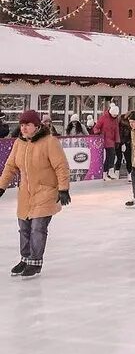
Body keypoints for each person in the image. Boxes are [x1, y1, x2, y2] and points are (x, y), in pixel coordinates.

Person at [0, 109, 71, 278]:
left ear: (37, 126)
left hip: (46, 191)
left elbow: (61, 166)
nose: (24, 128)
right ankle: (25, 258)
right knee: (24, 228)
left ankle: (35, 262)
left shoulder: (49, 142)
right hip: (25, 193)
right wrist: (1, 186)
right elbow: (10, 167)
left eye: (28, 125)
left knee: (38, 228)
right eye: (22, 125)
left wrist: (63, 189)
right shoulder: (19, 143)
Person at [93, 102, 122, 181]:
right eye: (114, 115)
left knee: (109, 157)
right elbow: (96, 127)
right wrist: (98, 132)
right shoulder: (103, 118)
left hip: (112, 140)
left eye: (116, 115)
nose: (115, 116)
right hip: (105, 139)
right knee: (111, 155)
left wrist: (117, 141)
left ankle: (105, 173)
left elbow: (116, 131)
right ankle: (110, 171)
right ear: (110, 113)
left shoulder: (115, 120)